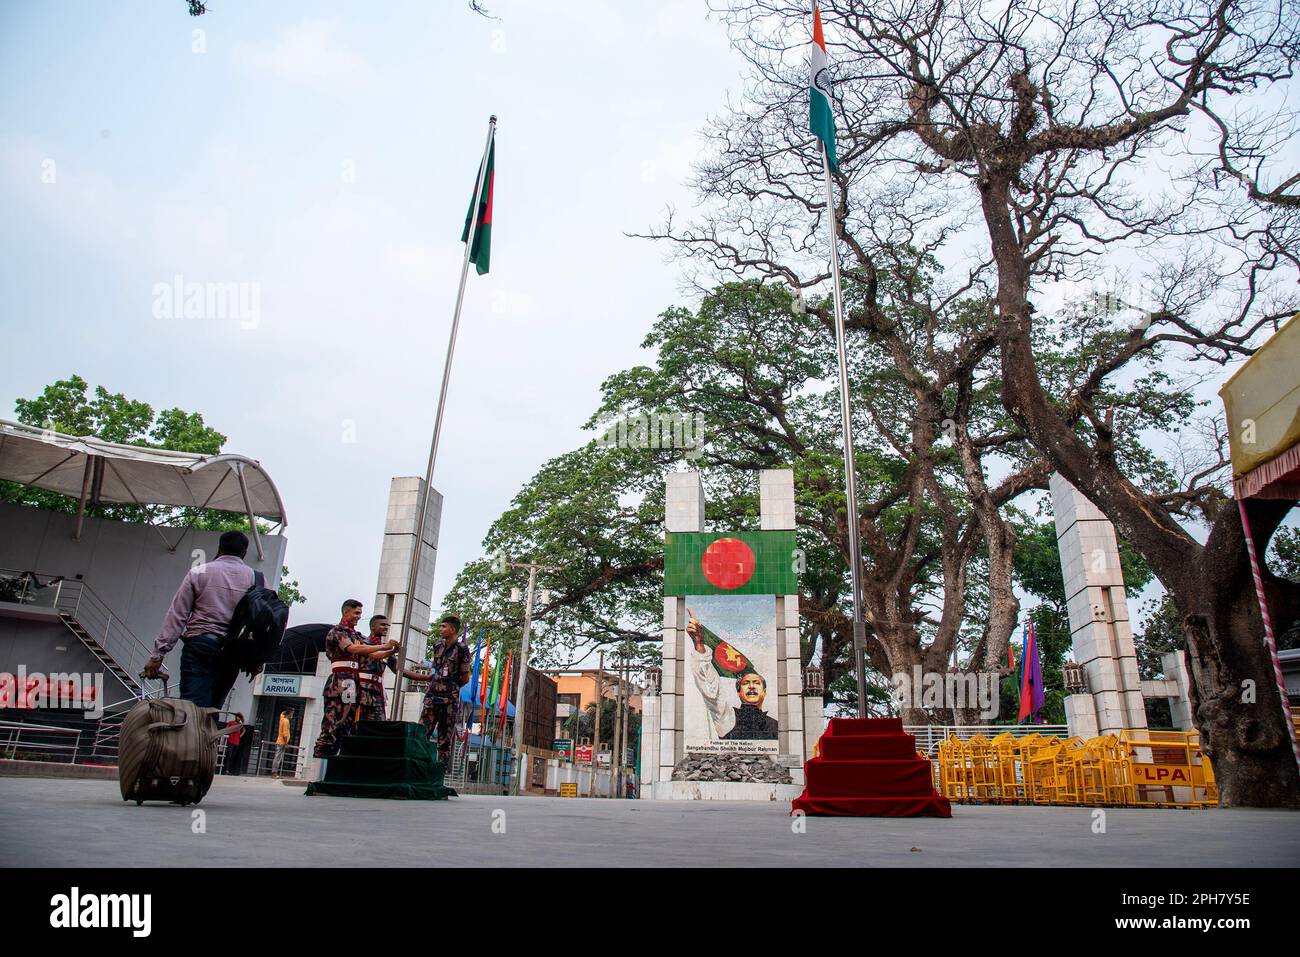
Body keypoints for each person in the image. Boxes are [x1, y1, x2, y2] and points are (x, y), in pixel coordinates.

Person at [143, 530, 254, 709]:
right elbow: (266, 624)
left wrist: (158, 655)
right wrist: (257, 661)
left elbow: (177, 615)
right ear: (245, 553)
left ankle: (191, 733)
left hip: (200, 645)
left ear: (220, 548)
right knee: (213, 709)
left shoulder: (199, 572)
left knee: (192, 708)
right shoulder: (256, 579)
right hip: (234, 652)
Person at [312, 600, 396, 773]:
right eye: (356, 613)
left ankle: (338, 770)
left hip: (351, 684)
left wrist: (391, 651)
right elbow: (354, 650)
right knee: (332, 724)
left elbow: (372, 653)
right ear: (345, 612)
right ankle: (319, 773)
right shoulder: (337, 632)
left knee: (346, 725)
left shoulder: (355, 635)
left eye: (360, 613)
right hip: (340, 682)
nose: (359, 617)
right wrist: (385, 646)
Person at [687, 611, 778, 741]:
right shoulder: (728, 718)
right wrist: (699, 644)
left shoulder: (775, 725)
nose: (751, 686)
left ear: (764, 692)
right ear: (739, 692)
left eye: (757, 683)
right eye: (746, 683)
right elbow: (712, 692)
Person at [403, 614, 471, 767]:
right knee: (422, 731)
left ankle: (440, 771)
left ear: (452, 629)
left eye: (443, 626)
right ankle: (416, 765)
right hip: (432, 696)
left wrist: (450, 687)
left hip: (449, 699)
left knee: (444, 737)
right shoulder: (438, 646)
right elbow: (435, 668)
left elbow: (465, 677)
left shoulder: (461, 649)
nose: (440, 629)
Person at [358, 614, 400, 721]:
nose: (386, 627)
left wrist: (427, 677)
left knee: (378, 726)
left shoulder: (387, 649)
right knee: (357, 724)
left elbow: (397, 669)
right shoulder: (362, 643)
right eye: (382, 625)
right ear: (373, 627)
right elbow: (374, 655)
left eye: (387, 625)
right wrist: (390, 650)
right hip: (360, 690)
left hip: (377, 692)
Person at [271, 710, 292, 779]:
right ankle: (274, 773)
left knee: (277, 757)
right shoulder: (286, 721)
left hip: (279, 741)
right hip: (282, 742)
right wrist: (286, 743)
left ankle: (274, 772)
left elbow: (282, 713)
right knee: (278, 758)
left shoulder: (282, 718)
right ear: (288, 714)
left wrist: (286, 711)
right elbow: (285, 733)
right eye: (291, 713)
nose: (292, 715)